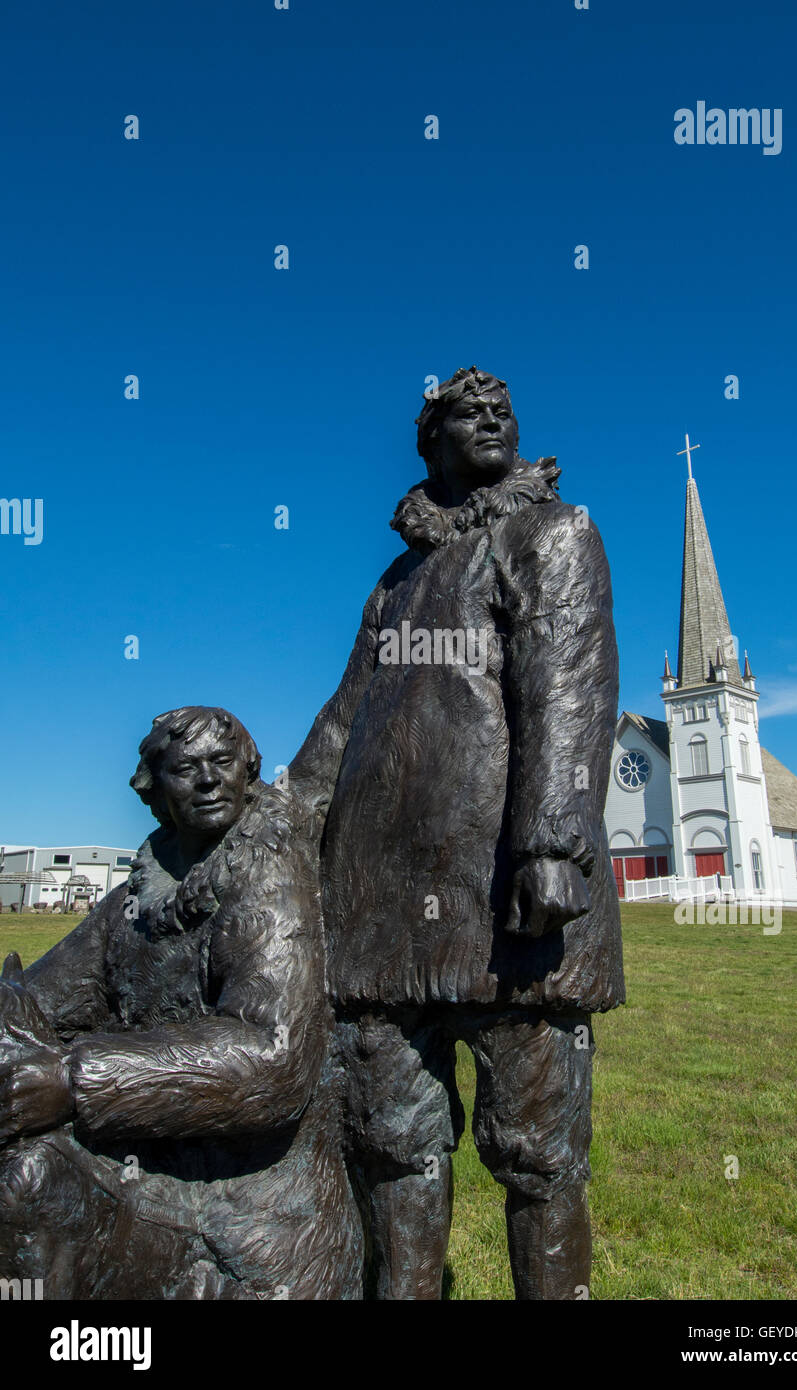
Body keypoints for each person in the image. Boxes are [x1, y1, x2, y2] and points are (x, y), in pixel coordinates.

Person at [287, 367, 624, 1299]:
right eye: (466, 413)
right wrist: (274, 827)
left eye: (502, 411)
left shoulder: (553, 533)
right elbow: (342, 724)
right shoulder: (394, 585)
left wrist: (554, 844)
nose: (490, 421)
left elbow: (570, 684)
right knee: (392, 1141)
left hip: (510, 901)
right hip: (380, 915)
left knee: (537, 1153)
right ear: (428, 441)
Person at [0, 706, 363, 1300]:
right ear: (155, 791)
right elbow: (38, 999)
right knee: (24, 1174)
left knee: (30, 1180)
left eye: (222, 763)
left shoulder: (270, 882)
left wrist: (73, 1079)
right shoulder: (130, 907)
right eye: (186, 768)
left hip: (258, 1222)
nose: (208, 780)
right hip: (153, 1183)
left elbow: (271, 1062)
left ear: (248, 772)